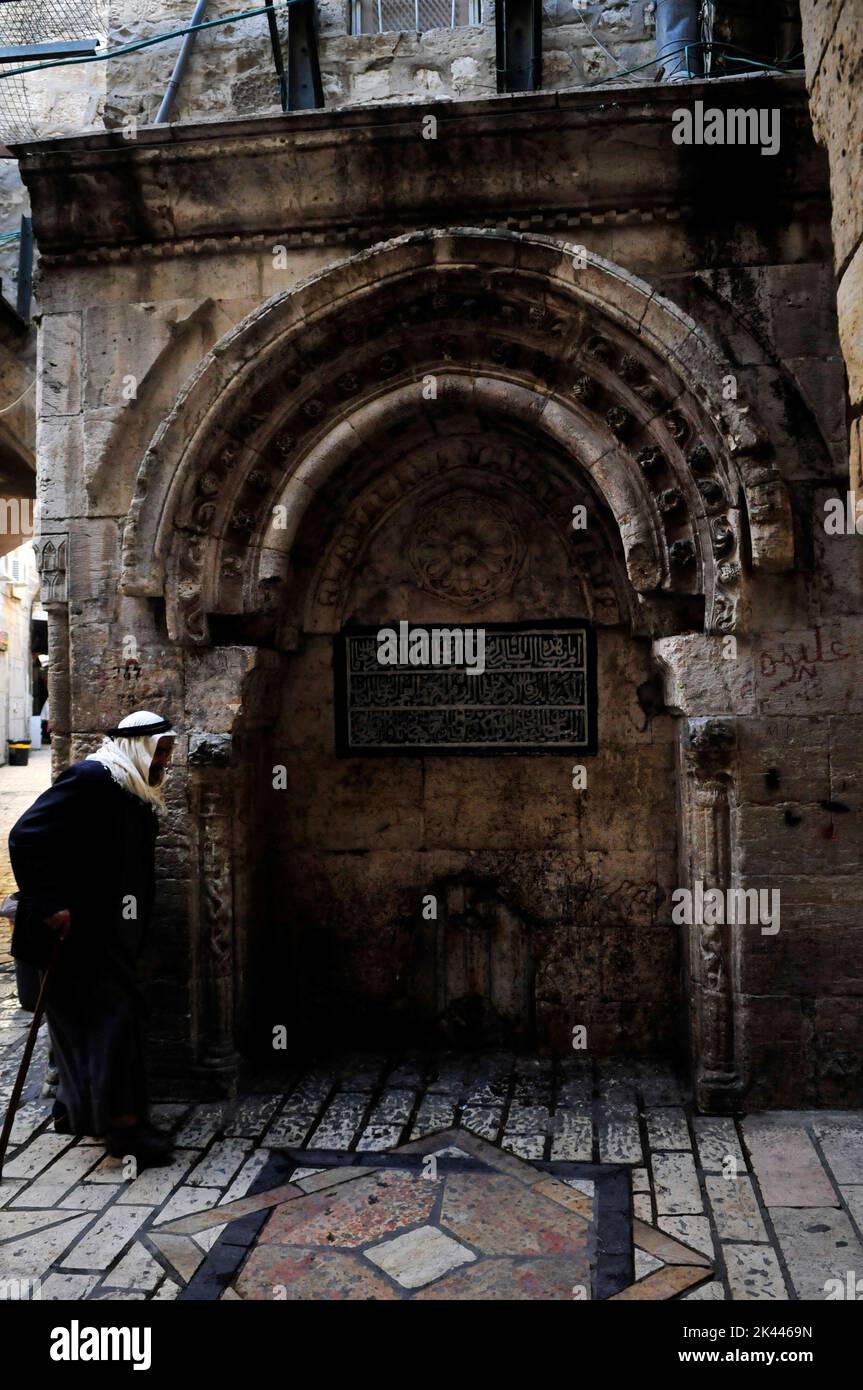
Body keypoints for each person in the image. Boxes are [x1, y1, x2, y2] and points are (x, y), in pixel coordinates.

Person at [8, 710, 177, 1169]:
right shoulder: (93, 778)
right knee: (111, 1025)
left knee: (97, 1027)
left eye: (167, 751)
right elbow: (25, 836)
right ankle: (122, 1130)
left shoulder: (132, 786)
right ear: (138, 745)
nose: (165, 759)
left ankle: (80, 1112)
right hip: (78, 933)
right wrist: (49, 904)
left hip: (109, 933)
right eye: (160, 749)